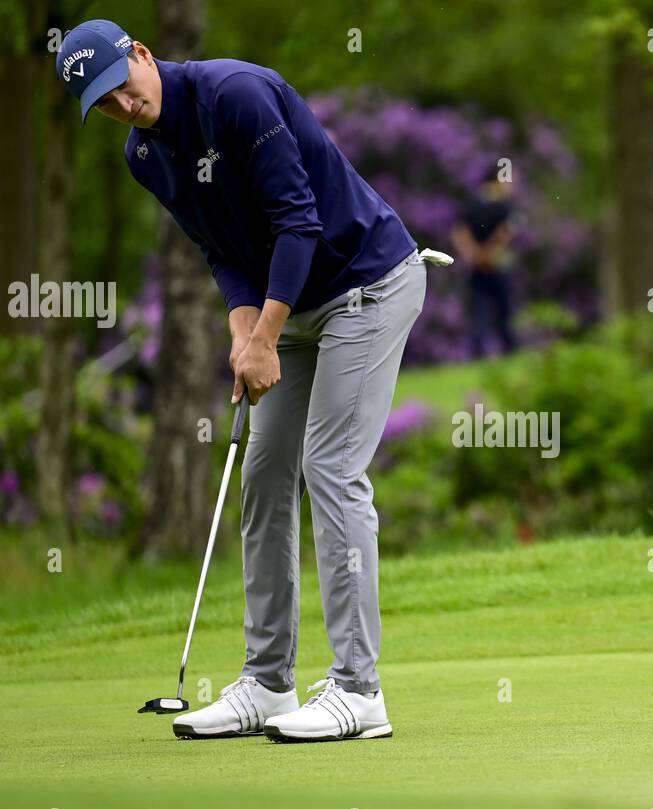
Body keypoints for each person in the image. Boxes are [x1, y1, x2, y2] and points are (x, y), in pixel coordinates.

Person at [57, 19, 448, 742]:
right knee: (264, 476)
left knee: (330, 467)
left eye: (121, 85)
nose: (121, 105)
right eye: (102, 104)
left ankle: (359, 691)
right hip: (287, 304)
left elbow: (296, 224)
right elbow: (222, 249)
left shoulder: (235, 95)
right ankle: (268, 683)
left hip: (367, 284)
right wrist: (243, 329)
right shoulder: (145, 156)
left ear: (142, 53)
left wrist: (265, 335)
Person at [451, 170, 519, 358]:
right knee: (504, 311)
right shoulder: (505, 205)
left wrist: (472, 253)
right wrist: (488, 252)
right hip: (499, 265)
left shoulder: (472, 203)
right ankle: (510, 350)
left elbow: (459, 231)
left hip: (476, 266)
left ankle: (478, 353)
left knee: (479, 311)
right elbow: (506, 231)